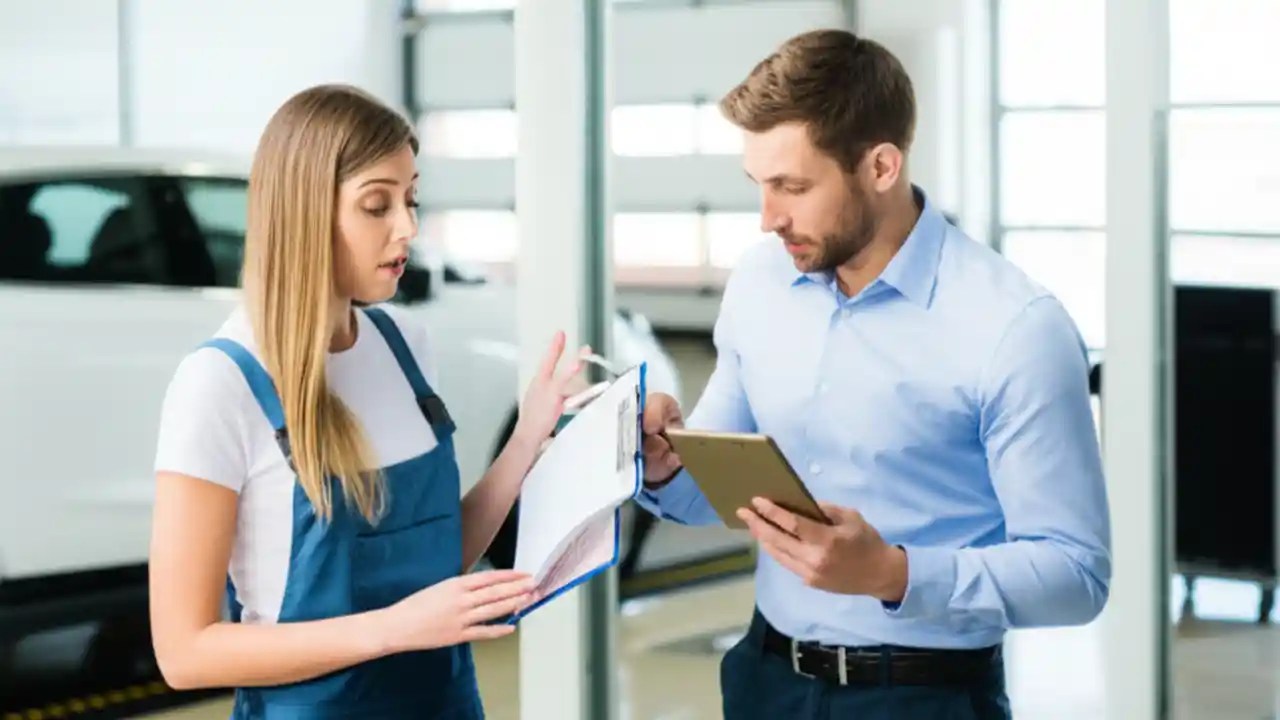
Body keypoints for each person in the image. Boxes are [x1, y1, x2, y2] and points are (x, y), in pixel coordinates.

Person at [637, 29, 1110, 719]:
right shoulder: (761, 283)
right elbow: (730, 481)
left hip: (926, 697)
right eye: (759, 186)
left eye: (792, 187)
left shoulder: (1015, 328)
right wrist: (666, 465)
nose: (769, 218)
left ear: (881, 167)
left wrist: (894, 573)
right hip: (765, 679)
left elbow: (1076, 573)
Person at [147, 84, 583, 719]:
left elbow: (434, 559)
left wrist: (528, 440)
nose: (407, 228)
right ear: (304, 212)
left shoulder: (404, 344)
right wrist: (394, 629)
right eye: (376, 205)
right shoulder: (221, 384)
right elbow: (185, 652)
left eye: (410, 200)